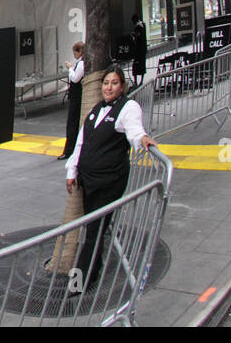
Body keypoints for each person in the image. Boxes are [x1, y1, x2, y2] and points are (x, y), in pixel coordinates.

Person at [64, 66, 157, 291]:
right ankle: (93, 271)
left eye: (114, 83)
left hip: (109, 182)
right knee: (93, 228)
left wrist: (142, 138)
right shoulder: (96, 109)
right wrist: (72, 170)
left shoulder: (128, 107)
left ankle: (80, 283)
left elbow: (134, 130)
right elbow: (81, 142)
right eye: (106, 83)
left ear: (122, 86)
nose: (109, 87)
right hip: (89, 181)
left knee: (94, 231)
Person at [58, 42, 85, 160]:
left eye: (75, 52)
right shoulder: (80, 63)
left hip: (77, 97)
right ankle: (71, 148)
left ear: (80, 52)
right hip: (76, 96)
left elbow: (75, 78)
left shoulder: (82, 64)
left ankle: (69, 149)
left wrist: (70, 68)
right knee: (73, 123)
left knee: (72, 123)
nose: (74, 54)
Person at [130, 16, 148, 86]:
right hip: (143, 49)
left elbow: (137, 35)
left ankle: (136, 81)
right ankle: (141, 81)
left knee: (136, 66)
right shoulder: (143, 24)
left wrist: (133, 34)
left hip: (138, 50)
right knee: (142, 65)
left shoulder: (138, 26)